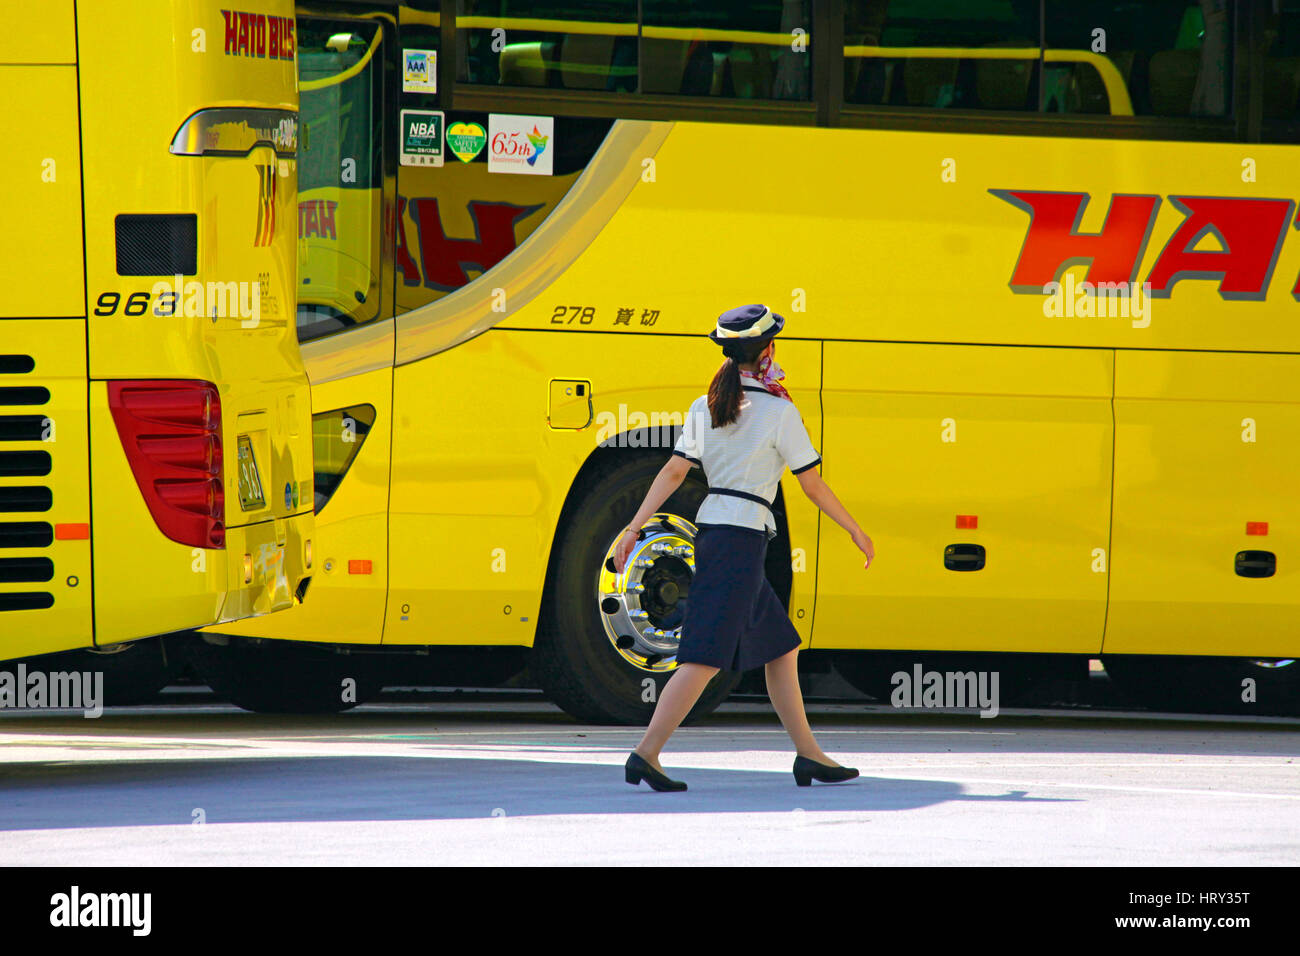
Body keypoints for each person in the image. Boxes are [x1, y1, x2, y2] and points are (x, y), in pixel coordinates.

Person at [616, 304, 875, 791]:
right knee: (704, 657)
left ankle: (809, 755)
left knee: (781, 649)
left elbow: (674, 472)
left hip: (720, 534)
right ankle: (646, 753)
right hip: (739, 540)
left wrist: (633, 527)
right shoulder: (779, 411)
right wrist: (855, 529)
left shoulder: (705, 405)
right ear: (768, 351)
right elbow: (812, 485)